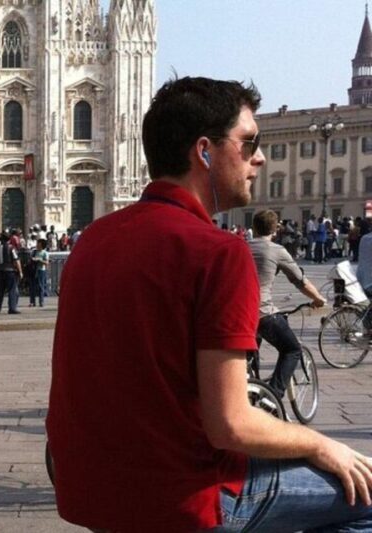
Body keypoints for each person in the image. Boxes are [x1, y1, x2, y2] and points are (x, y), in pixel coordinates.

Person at [47, 77, 372, 532]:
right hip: (180, 498)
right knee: (365, 492)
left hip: (89, 489)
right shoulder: (218, 252)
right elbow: (231, 425)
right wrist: (320, 443)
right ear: (204, 151)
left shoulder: (93, 240)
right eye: (248, 143)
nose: (258, 157)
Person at [249, 210, 326, 398]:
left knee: (249, 358)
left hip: (239, 314)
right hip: (263, 312)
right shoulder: (276, 250)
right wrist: (318, 299)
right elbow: (300, 281)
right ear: (275, 230)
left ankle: (252, 389)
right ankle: (273, 395)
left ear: (253, 228)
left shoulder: (240, 246)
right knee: (292, 349)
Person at [0, 232, 21, 314]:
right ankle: (12, 308)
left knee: (0, 290)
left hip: (0, 271)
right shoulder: (11, 248)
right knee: (12, 290)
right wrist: (20, 271)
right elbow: (16, 260)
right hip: (10, 271)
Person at [28, 239, 49, 308]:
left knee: (41, 286)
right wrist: (32, 260)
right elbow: (30, 260)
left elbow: (46, 263)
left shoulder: (45, 253)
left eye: (38, 243)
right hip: (33, 270)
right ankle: (32, 301)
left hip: (41, 270)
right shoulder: (33, 251)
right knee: (32, 286)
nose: (37, 245)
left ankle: (41, 301)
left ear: (42, 245)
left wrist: (39, 260)